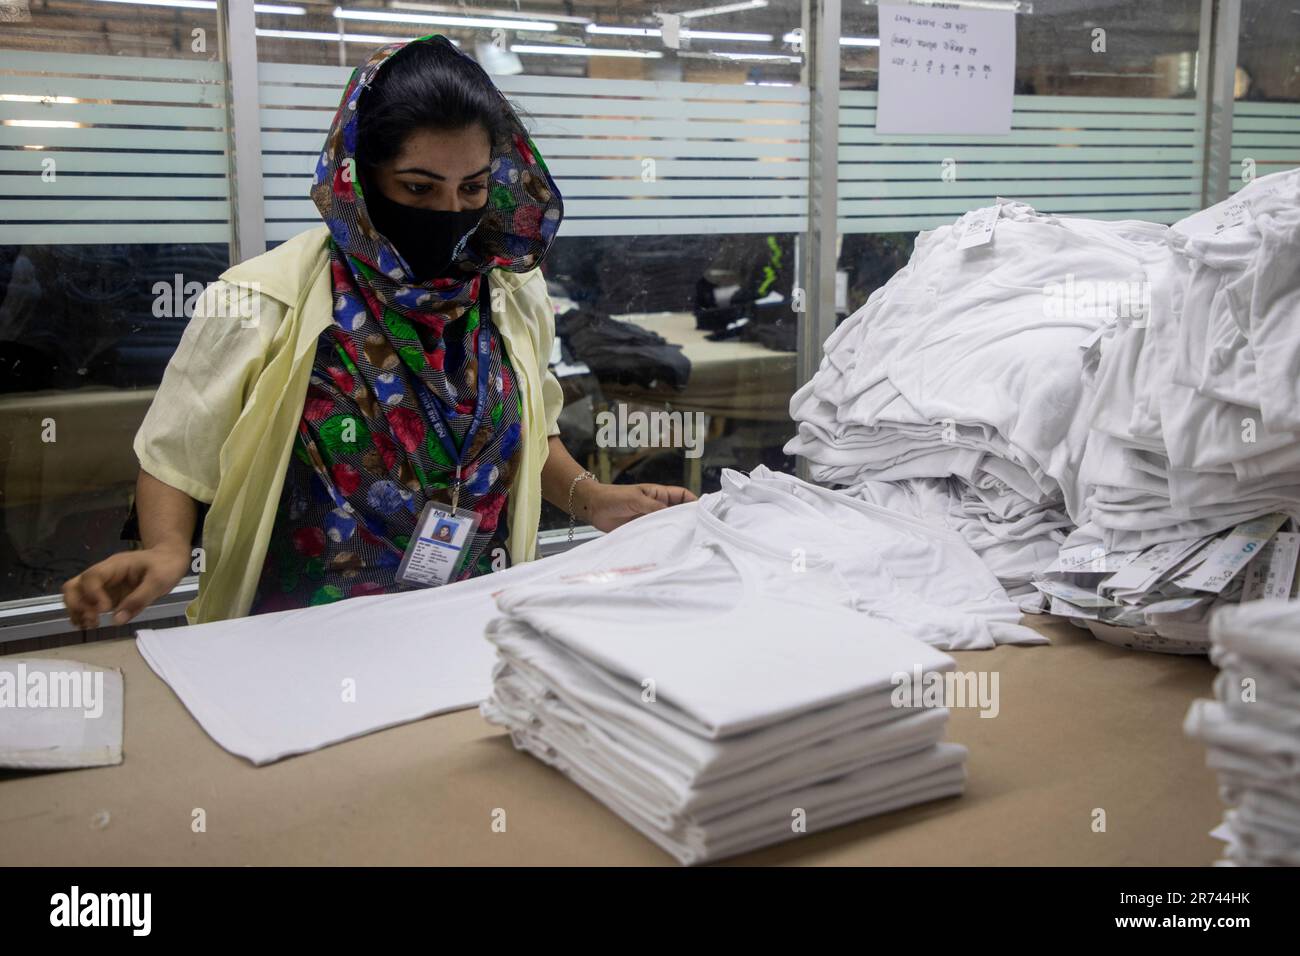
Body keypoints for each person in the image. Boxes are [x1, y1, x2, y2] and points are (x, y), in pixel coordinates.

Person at [63, 35, 695, 629]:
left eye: (471, 188)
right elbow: (177, 456)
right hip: (301, 641)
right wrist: (168, 549)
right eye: (417, 188)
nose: (449, 214)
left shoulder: (508, 293)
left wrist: (594, 499)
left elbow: (535, 432)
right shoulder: (261, 302)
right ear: (361, 177)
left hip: (473, 624)